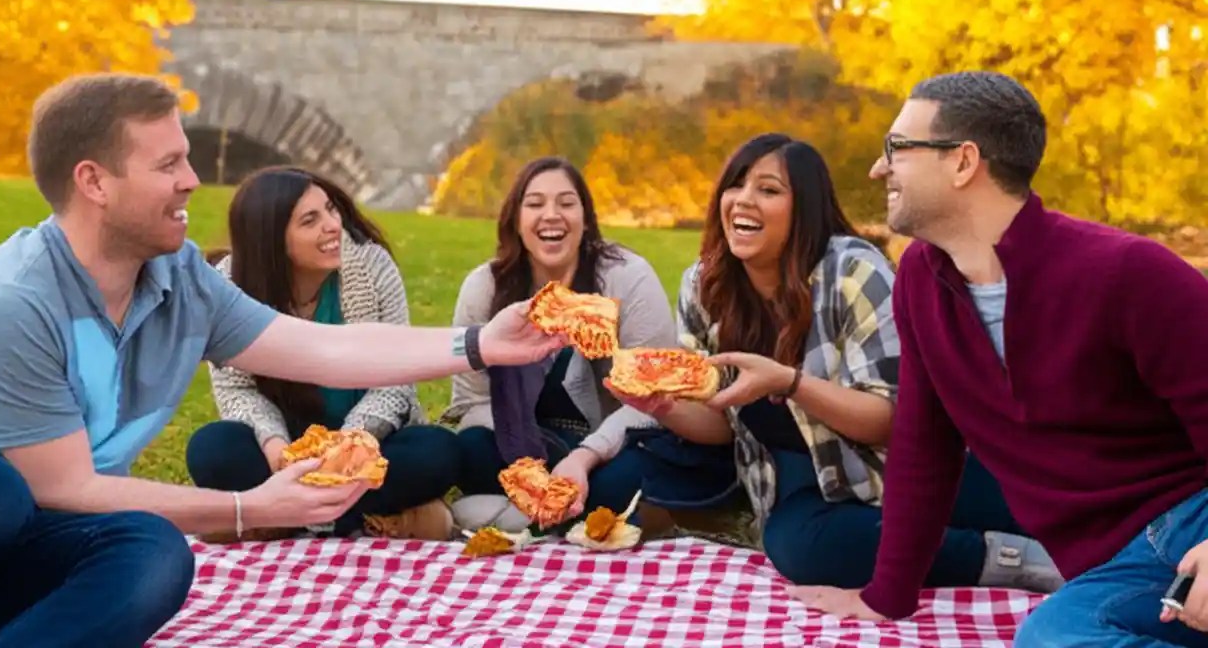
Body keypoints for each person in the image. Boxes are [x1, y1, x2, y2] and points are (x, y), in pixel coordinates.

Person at [0, 73, 563, 648]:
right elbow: (64, 489)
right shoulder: (5, 303)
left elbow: (322, 348)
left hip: (17, 551)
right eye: (168, 163)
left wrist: (481, 343)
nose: (192, 180)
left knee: (153, 550)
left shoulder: (178, 278)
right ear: (93, 181)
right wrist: (251, 509)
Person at [787, 70, 1208, 646]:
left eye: (897, 149)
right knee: (1052, 637)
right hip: (1120, 568)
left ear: (963, 162)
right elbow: (923, 443)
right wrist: (886, 595)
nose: (878, 168)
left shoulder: (1126, 272)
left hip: (1197, 517)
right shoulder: (919, 279)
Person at [614, 132, 1059, 592]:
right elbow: (723, 424)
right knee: (798, 548)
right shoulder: (704, 286)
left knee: (1060, 517)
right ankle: (1000, 560)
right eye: (736, 185)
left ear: (804, 208)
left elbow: (893, 421)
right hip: (808, 481)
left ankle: (1033, 542)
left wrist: (790, 383)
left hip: (911, 466)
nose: (743, 201)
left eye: (768, 190)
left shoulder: (853, 271)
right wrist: (661, 406)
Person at [185, 166, 460, 542]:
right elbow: (237, 391)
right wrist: (274, 446)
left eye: (331, 210)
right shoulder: (230, 285)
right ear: (272, 239)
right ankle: (367, 520)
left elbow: (397, 378)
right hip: (287, 450)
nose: (333, 226)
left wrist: (348, 450)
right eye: (310, 220)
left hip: (367, 442)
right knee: (211, 449)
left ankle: (282, 518)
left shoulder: (372, 267)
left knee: (437, 451)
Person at [442, 156, 678, 532]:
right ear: (516, 221)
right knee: (468, 449)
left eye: (566, 203)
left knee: (621, 480)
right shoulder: (485, 287)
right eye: (535, 204)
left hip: (607, 445)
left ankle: (522, 517)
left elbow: (654, 400)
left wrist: (583, 458)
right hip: (520, 447)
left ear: (585, 219)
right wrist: (530, 464)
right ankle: (557, 515)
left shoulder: (627, 278)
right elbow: (472, 403)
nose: (551, 215)